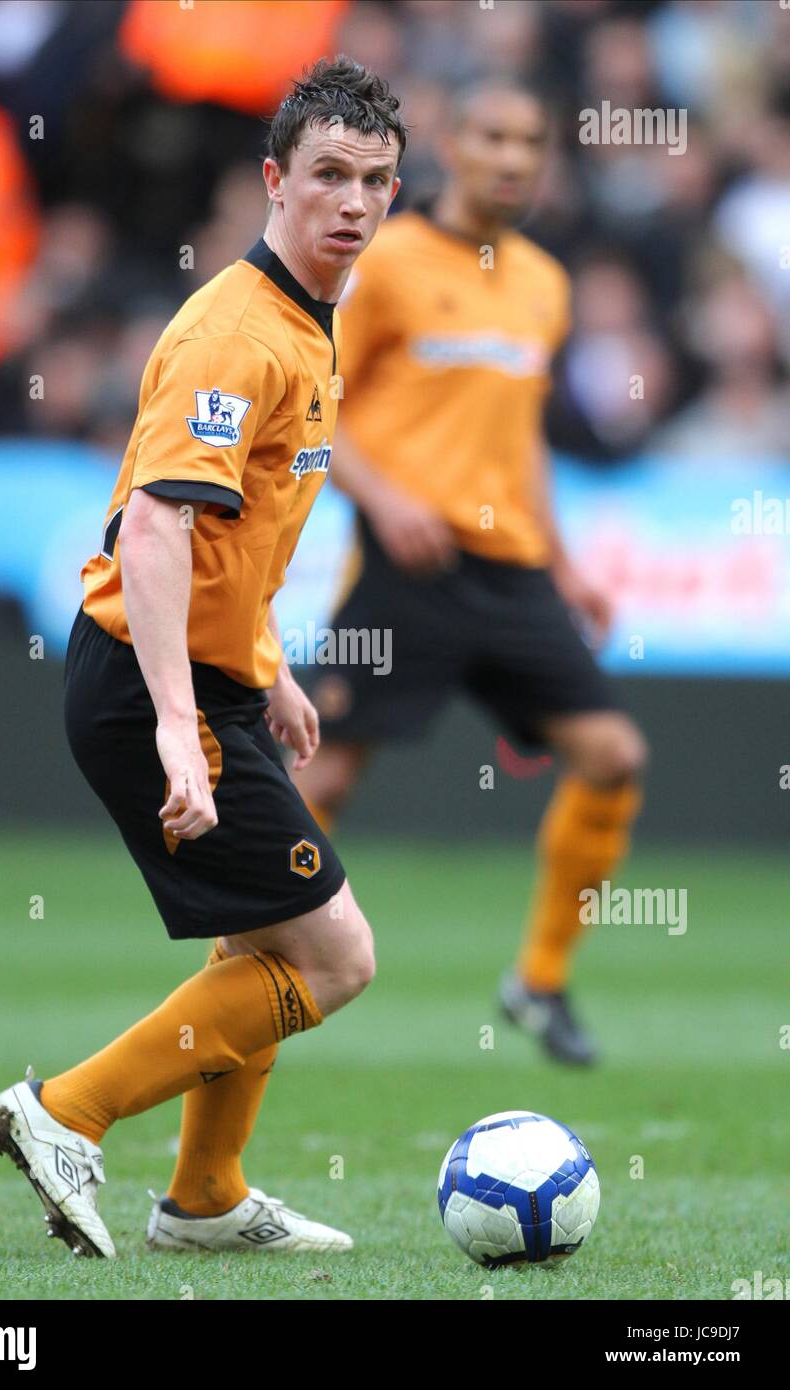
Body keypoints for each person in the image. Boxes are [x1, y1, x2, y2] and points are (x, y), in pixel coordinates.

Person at [0, 56, 404, 1258]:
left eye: (374, 179)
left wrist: (257, 665)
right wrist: (182, 717)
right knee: (333, 956)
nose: (352, 201)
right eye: (327, 173)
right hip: (142, 686)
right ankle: (65, 1111)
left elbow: (233, 531)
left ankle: (206, 1198)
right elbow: (157, 526)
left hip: (200, 678)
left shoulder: (307, 319)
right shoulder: (236, 331)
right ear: (273, 180)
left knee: (262, 936)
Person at [293, 77, 647, 1066]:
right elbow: (320, 402)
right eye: (491, 135)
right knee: (322, 775)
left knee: (612, 756)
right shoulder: (386, 262)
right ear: (449, 143)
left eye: (529, 140)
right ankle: (245, 963)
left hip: (514, 571)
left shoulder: (542, 279)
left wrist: (566, 563)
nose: (510, 156)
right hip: (409, 566)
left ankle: (536, 981)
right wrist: (385, 496)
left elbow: (517, 431)